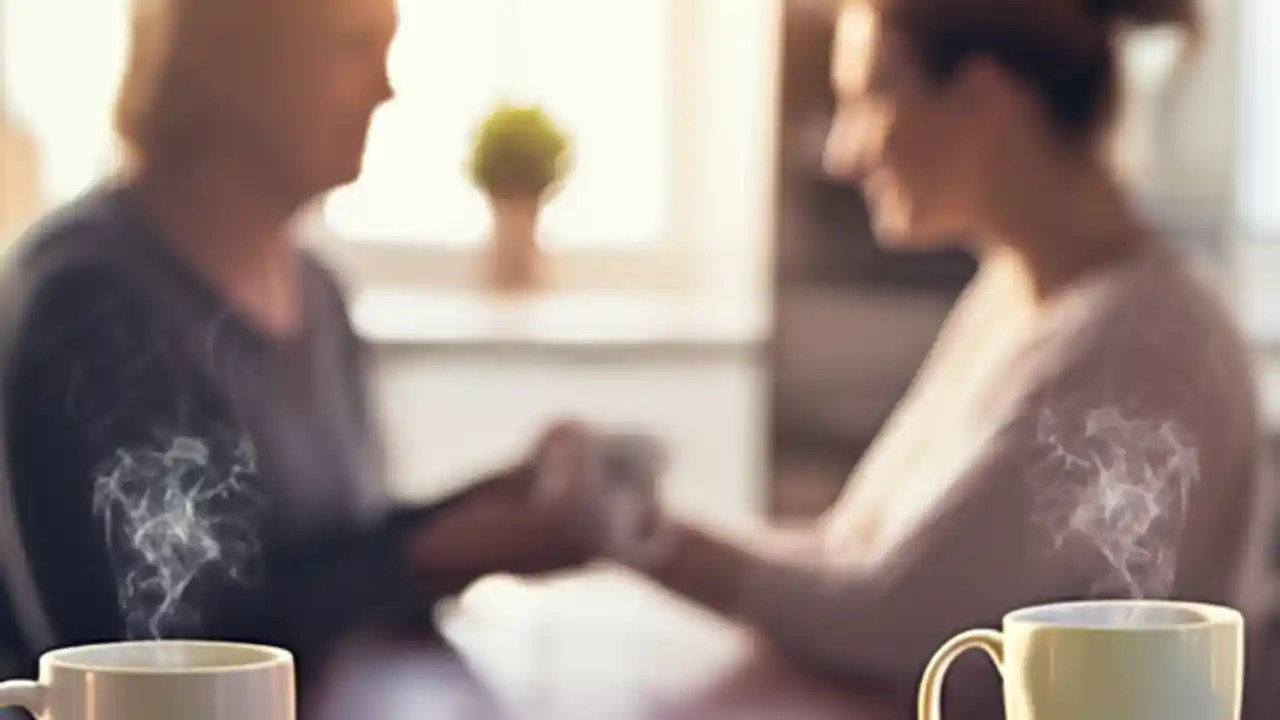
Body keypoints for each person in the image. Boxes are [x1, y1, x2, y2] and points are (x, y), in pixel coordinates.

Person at [551, 0, 1277, 713]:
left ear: (982, 98)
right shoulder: (1017, 293)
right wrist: (627, 510)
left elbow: (895, 622)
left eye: (869, 98)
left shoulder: (1144, 338)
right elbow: (846, 551)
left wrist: (627, 529)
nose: (843, 150)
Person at [0, 0, 593, 693]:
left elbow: (333, 548)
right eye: (353, 48)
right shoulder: (84, 301)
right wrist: (435, 554)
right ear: (239, 57)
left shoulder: (319, 292)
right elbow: (138, 656)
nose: (385, 87)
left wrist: (489, 510)